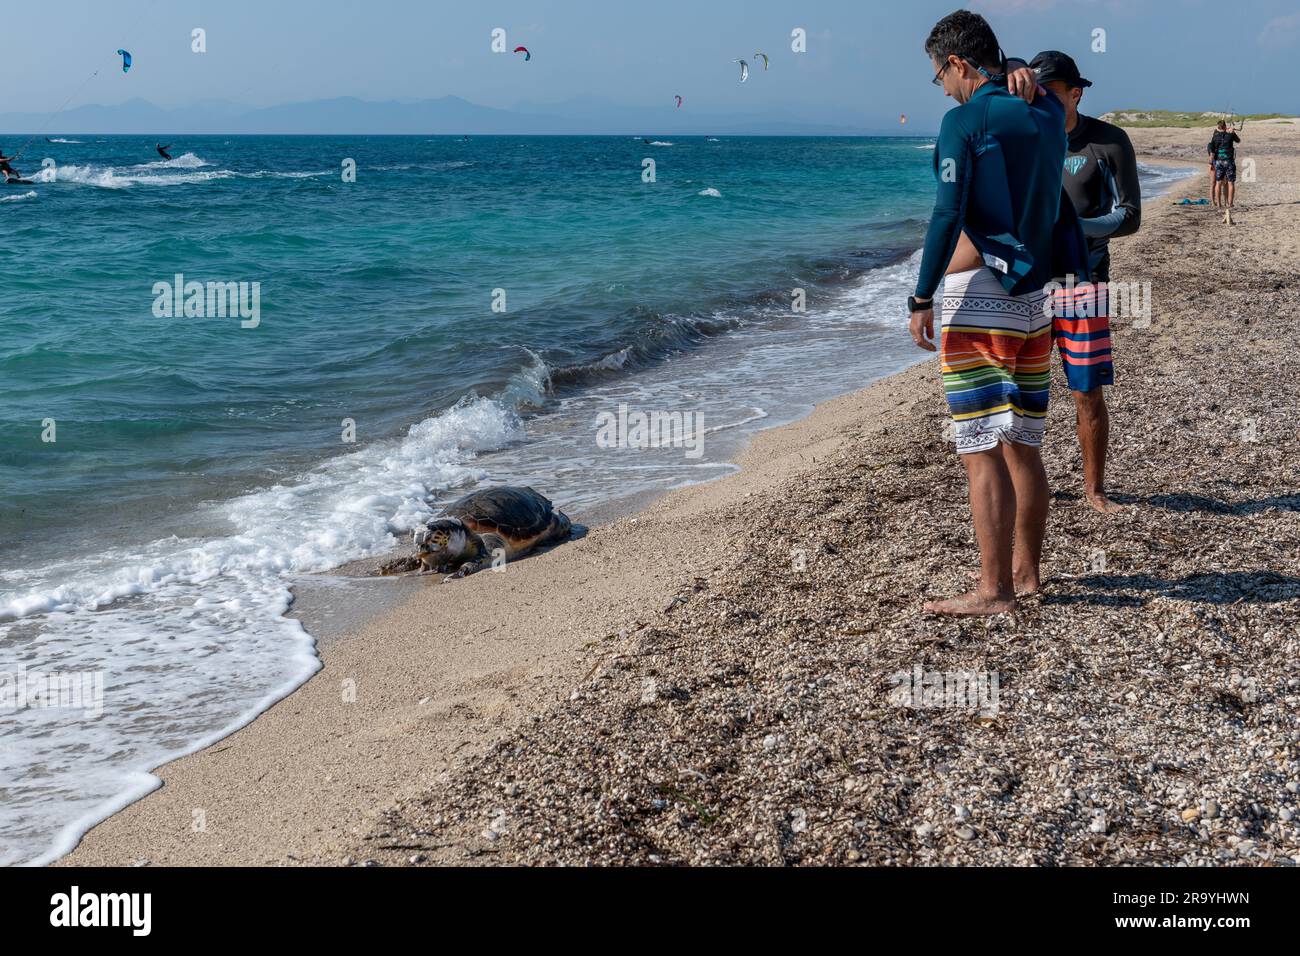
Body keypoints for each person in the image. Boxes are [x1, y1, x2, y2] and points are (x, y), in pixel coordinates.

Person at [907, 10, 1090, 617]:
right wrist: (1019, 72)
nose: (942, 88)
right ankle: (1028, 576)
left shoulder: (962, 120)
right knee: (1023, 445)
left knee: (980, 449)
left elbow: (947, 213)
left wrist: (921, 295)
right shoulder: (1045, 115)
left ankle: (993, 592)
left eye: (939, 75)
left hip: (979, 299)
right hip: (1034, 301)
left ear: (957, 63)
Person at [1006, 52, 1140, 515]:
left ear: (1075, 93)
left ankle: (1095, 490)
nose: (1039, 99)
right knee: (1020, 391)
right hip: (1025, 286)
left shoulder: (1108, 141)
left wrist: (1070, 230)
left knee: (1085, 390)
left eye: (1051, 92)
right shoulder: (1021, 140)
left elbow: (1130, 217)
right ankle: (1025, 483)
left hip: (1082, 282)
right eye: (1034, 90)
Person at [1207, 120, 1241, 208]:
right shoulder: (1230, 134)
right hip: (1229, 161)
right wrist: (1232, 132)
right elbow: (1238, 140)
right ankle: (1230, 203)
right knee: (1230, 183)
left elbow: (1211, 144)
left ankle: (1218, 203)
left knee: (1218, 183)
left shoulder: (1215, 136)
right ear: (1225, 126)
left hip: (1219, 162)